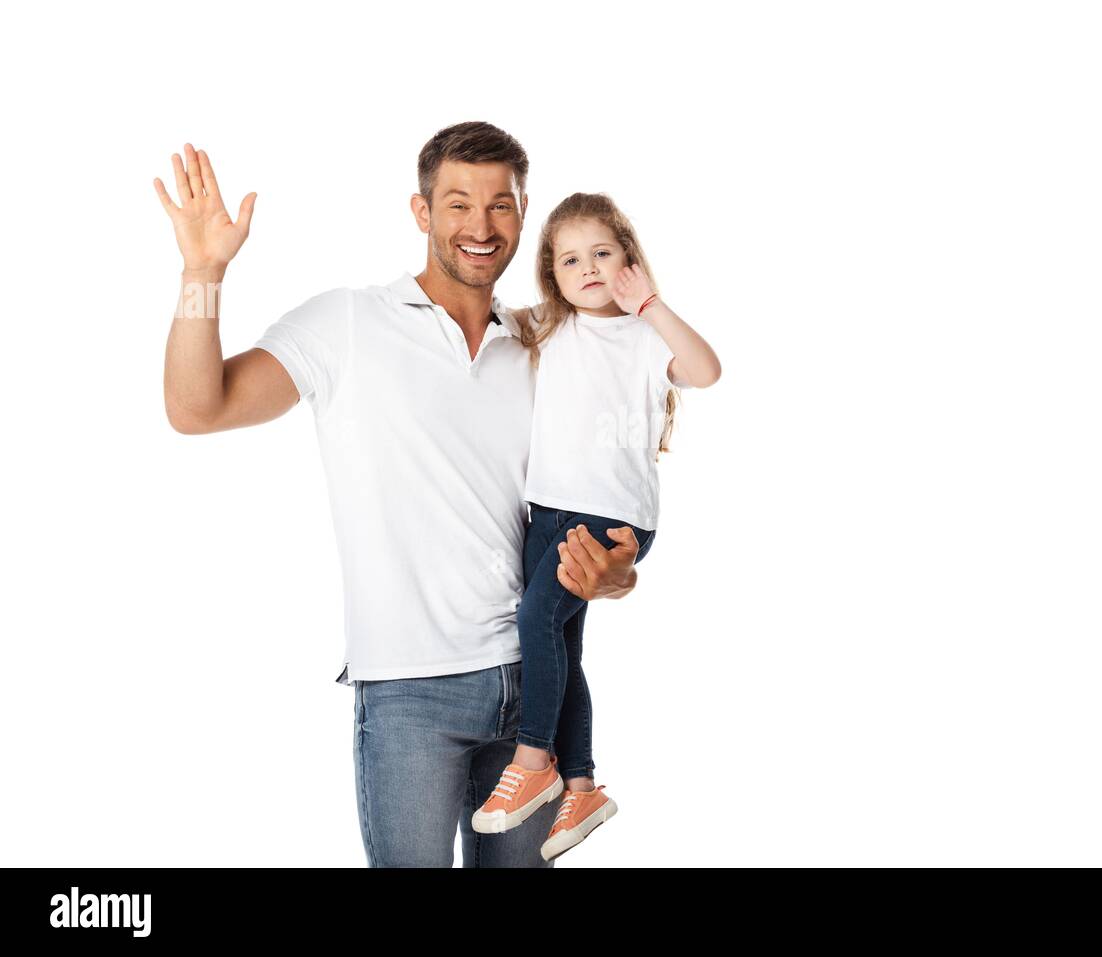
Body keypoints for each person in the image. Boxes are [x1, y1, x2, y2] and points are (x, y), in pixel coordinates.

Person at [157, 122, 642, 867]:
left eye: (501, 206)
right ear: (421, 213)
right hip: (412, 696)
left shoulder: (545, 343)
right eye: (457, 204)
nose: (480, 227)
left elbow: (604, 489)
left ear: (523, 214)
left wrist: (618, 571)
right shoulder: (349, 323)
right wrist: (202, 273)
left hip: (536, 692)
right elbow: (198, 408)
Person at [468, 194, 720, 861]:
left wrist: (652, 304)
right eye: (571, 258)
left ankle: (532, 759)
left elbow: (705, 370)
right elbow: (477, 317)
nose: (588, 267)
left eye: (603, 253)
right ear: (552, 271)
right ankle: (581, 784)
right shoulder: (550, 327)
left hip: (612, 517)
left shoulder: (643, 336)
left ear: (628, 262)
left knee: (533, 621)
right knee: (557, 645)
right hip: (545, 511)